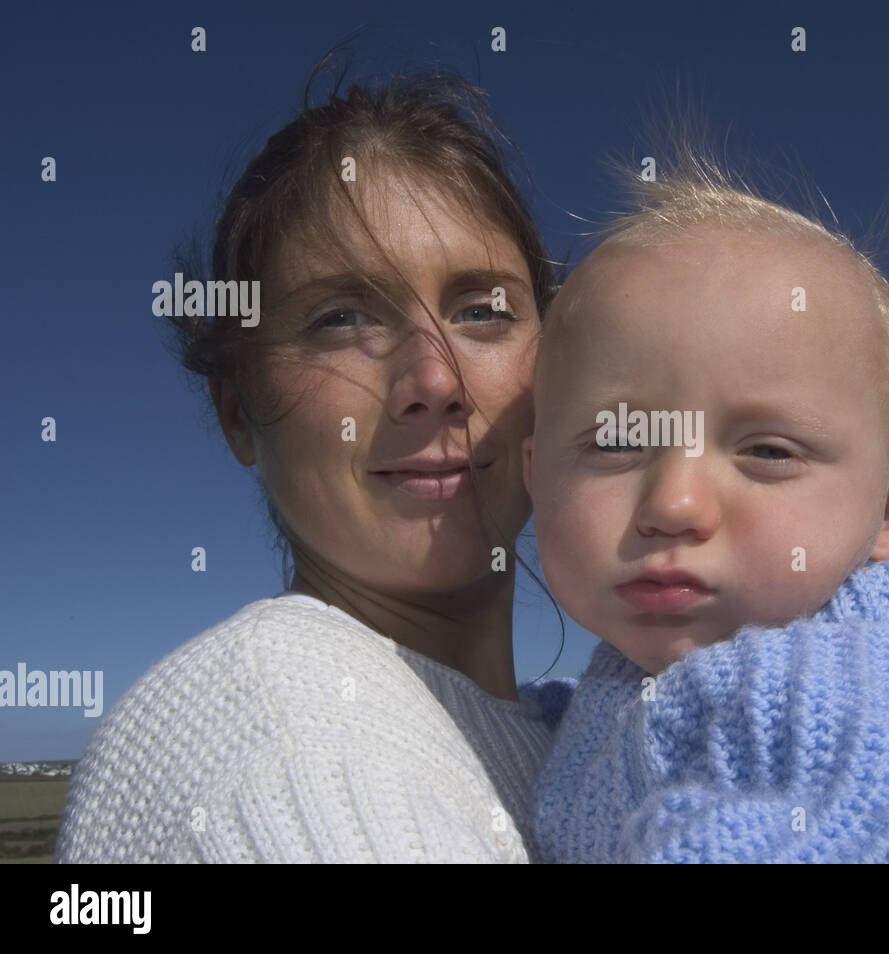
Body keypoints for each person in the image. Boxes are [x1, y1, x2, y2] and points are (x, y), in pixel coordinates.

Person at [55, 70, 573, 863]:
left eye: (482, 310)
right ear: (239, 411)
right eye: (341, 320)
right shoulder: (276, 751)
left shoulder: (585, 740)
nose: (435, 383)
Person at [522, 154, 889, 862]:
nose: (673, 504)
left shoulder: (885, 691)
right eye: (616, 440)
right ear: (535, 477)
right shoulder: (639, 673)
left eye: (767, 452)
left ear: (887, 516)